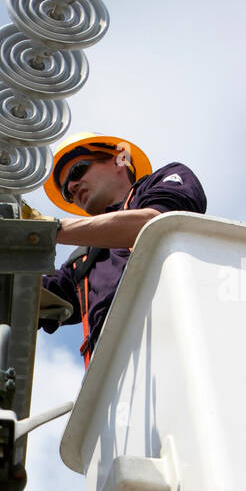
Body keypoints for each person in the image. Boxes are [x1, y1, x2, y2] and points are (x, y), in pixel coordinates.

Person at [38, 132, 207, 368]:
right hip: (113, 373)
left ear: (120, 159)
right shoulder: (81, 261)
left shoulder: (164, 180)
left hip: (172, 331)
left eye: (77, 171)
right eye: (67, 191)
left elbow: (159, 224)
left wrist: (50, 231)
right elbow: (31, 297)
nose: (73, 187)